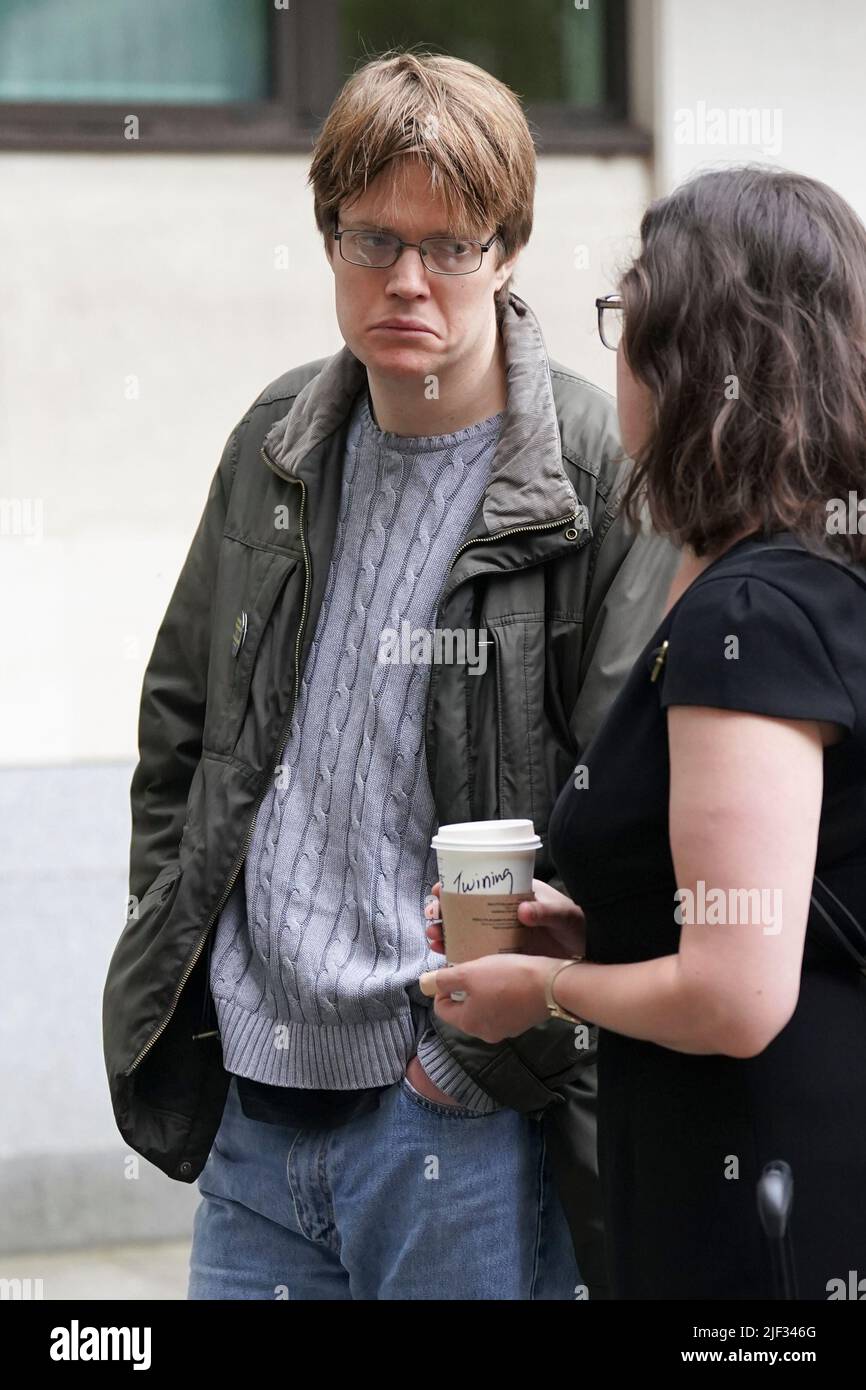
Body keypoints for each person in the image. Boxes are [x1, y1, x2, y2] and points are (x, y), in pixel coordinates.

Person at [101, 49, 678, 1300]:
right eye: (371, 240)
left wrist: (482, 1061)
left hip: (455, 1110)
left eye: (450, 245)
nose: (406, 279)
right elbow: (179, 730)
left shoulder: (591, 471)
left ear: (506, 250)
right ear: (326, 239)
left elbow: (632, 809)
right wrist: (196, 959)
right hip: (255, 1102)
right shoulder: (277, 444)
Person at [421, 165, 866, 1299]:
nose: (611, 357)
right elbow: (788, 905)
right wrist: (592, 930)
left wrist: (544, 993)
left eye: (627, 319)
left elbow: (733, 992)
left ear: (696, 359)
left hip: (757, 1198)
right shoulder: (805, 578)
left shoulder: (752, 612)